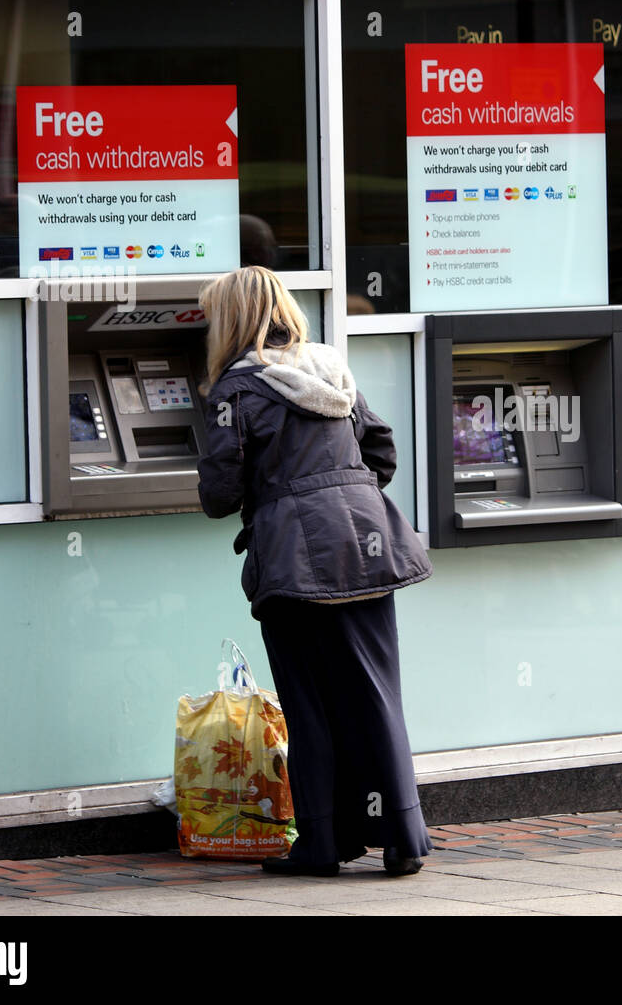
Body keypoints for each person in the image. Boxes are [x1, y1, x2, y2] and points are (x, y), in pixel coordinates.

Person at [196, 265, 434, 877]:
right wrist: (343, 498)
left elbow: (221, 490)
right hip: (366, 544)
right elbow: (381, 450)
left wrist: (283, 499)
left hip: (294, 559)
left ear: (230, 319)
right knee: (376, 692)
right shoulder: (329, 371)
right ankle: (402, 835)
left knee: (309, 702)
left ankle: (322, 844)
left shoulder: (236, 389)